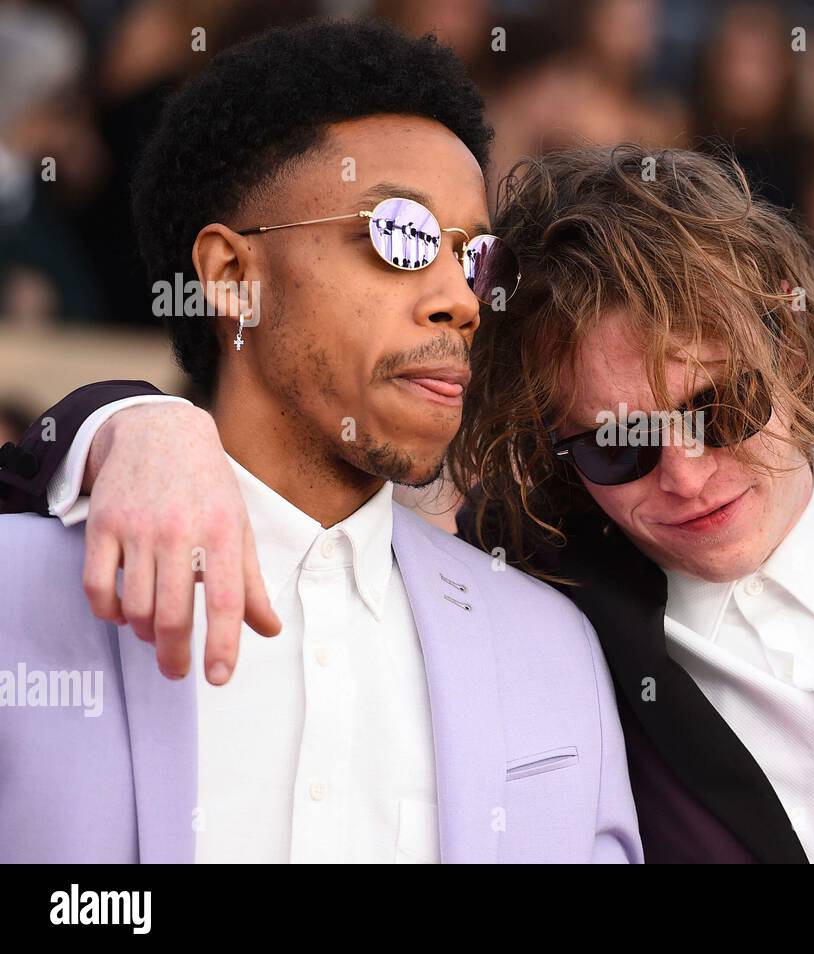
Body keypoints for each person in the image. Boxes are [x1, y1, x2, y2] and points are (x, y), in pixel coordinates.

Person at [7, 140, 814, 863]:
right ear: (557, 450)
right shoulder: (527, 623)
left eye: (724, 408)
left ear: (796, 359)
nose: (684, 471)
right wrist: (132, 425)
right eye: (619, 445)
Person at [0, 19, 640, 865]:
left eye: (477, 257)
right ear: (232, 279)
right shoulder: (20, 594)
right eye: (402, 235)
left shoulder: (550, 647)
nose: (460, 298)